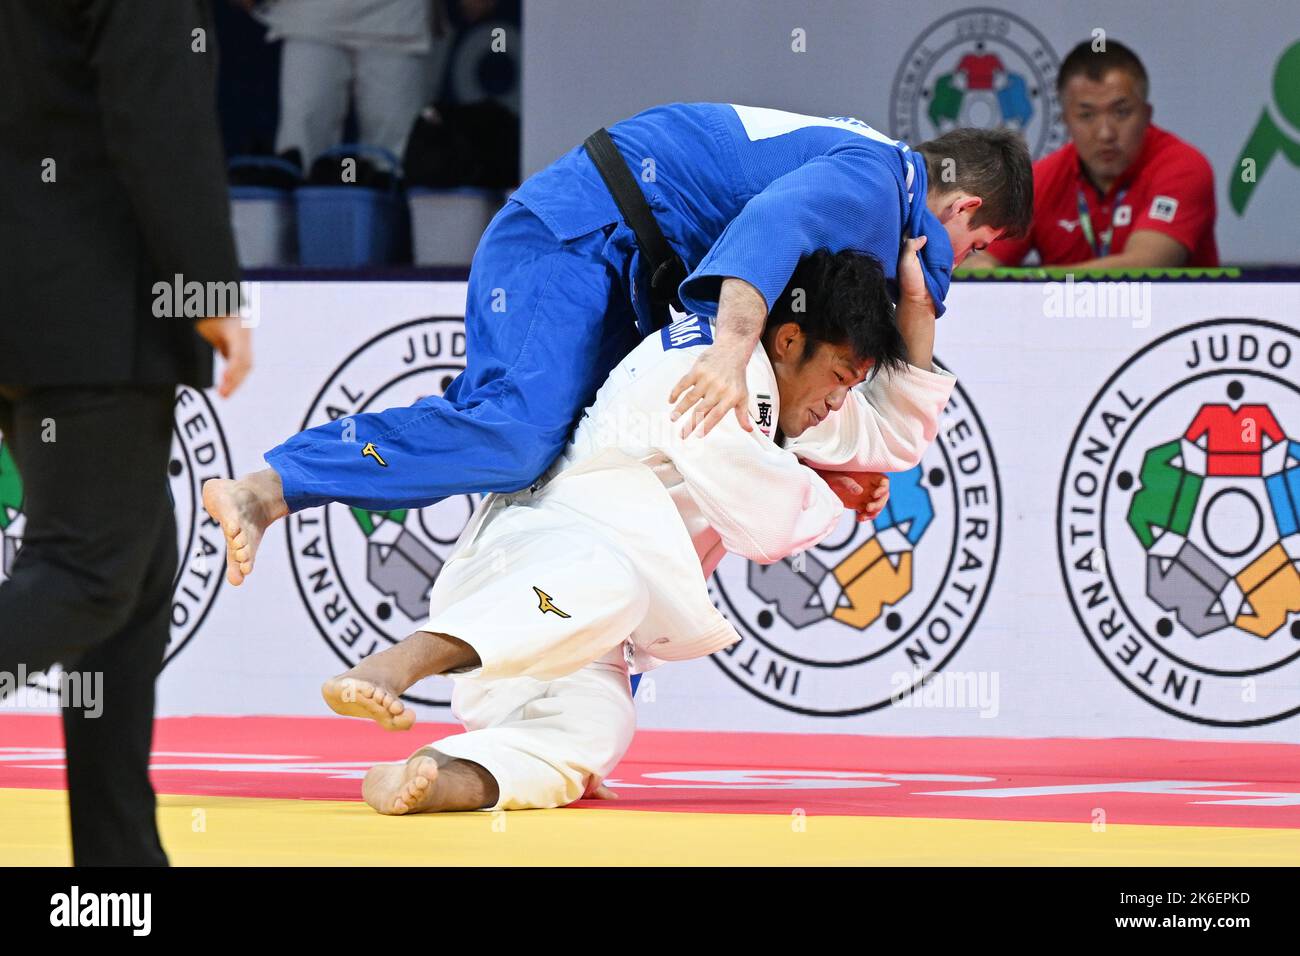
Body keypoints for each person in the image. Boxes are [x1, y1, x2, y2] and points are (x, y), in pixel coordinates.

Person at [204, 104, 1030, 589]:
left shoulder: (877, 187)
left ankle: (525, 689)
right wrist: (729, 346)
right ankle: (270, 489)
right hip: (577, 236)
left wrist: (823, 468)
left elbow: (795, 368)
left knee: (592, 475)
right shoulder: (878, 182)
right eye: (981, 246)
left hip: (625, 265)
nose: (962, 265)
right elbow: (772, 227)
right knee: (514, 436)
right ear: (962, 209)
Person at [317, 241, 955, 814]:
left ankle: (437, 777)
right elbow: (767, 526)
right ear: (789, 341)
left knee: (600, 726)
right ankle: (397, 665)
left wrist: (919, 309)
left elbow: (894, 435)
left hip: (575, 630)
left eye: (852, 387)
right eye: (839, 379)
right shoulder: (705, 373)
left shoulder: (773, 387)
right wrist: (830, 485)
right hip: (531, 574)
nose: (839, 403)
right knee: (614, 584)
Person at [0, 0, 252, 865]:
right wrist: (208, 285)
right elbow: (157, 117)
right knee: (90, 573)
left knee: (136, 579)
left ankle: (121, 880)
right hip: (90, 302)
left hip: (36, 292)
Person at [962, 39, 1218, 271]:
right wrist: (980, 269)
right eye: (1086, 115)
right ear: (1065, 121)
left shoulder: (1185, 168)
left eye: (1121, 112)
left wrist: (1036, 282)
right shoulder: (1040, 179)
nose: (1105, 133)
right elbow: (981, 264)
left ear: (1146, 114)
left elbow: (1145, 266)